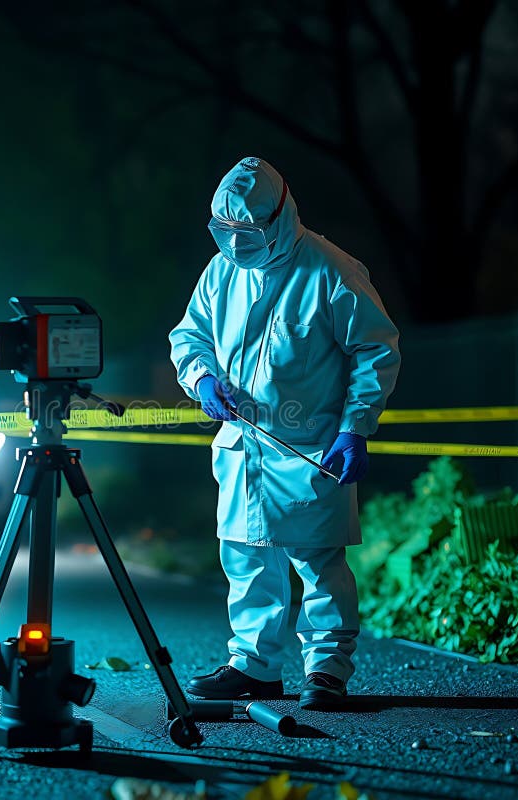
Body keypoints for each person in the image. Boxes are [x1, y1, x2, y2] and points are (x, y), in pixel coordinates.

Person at [169, 156, 400, 710]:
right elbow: (189, 338)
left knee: (318, 560)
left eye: (245, 231)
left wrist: (355, 428)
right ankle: (254, 666)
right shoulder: (221, 271)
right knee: (246, 560)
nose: (234, 241)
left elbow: (375, 350)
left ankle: (326, 669)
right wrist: (202, 380)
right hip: (241, 446)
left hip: (311, 446)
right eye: (223, 230)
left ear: (277, 219)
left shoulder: (330, 270)